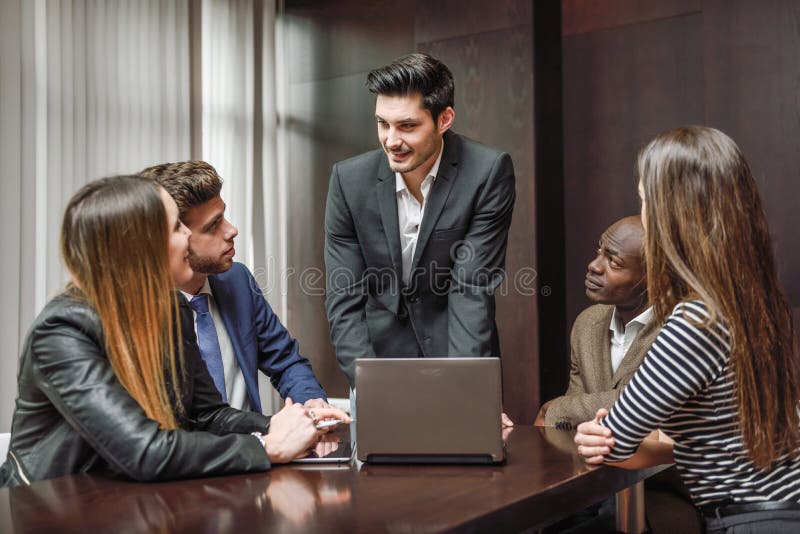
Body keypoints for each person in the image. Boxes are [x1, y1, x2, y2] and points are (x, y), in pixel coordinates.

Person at [0, 175, 349, 487]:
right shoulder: (62, 331)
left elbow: (208, 415)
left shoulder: (171, 308)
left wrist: (290, 424)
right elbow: (144, 450)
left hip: (128, 503)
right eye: (176, 228)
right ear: (138, 248)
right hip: (49, 509)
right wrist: (267, 445)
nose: (188, 238)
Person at [574, 126, 800, 532]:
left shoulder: (696, 321)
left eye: (645, 201)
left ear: (670, 214)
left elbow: (616, 442)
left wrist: (600, 434)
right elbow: (722, 439)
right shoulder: (754, 303)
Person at [324, 53, 516, 392]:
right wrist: (371, 385)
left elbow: (470, 289)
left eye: (407, 126)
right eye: (383, 123)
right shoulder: (348, 181)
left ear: (445, 119)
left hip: (461, 357)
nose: (391, 140)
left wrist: (463, 391)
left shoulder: (487, 173)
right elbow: (344, 298)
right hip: (377, 362)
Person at [141, 161, 330, 413]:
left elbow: (285, 361)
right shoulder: (139, 313)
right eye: (212, 226)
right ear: (172, 238)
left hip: (256, 446)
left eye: (224, 216)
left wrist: (311, 404)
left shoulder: (237, 280)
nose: (232, 230)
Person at [535, 216, 656, 429]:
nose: (594, 266)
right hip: (589, 457)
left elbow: (648, 403)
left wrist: (554, 409)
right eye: (599, 252)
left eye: (614, 263)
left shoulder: (679, 327)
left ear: (654, 277)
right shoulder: (587, 323)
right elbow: (571, 419)